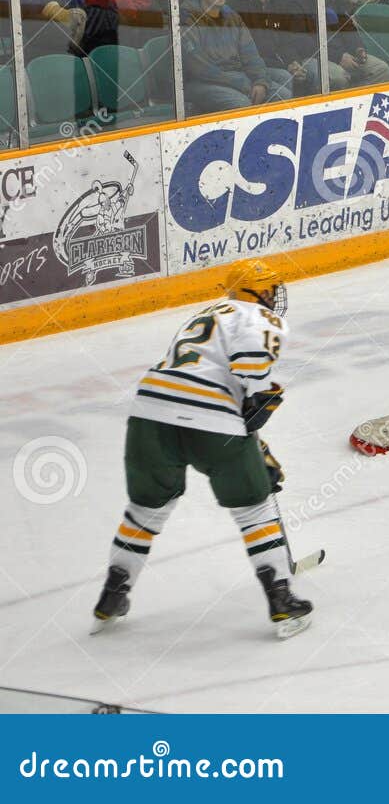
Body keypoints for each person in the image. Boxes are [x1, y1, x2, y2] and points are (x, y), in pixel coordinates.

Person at [91, 259, 313, 640]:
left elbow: (196, 381)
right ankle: (281, 599)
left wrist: (248, 434)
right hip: (213, 420)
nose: (275, 297)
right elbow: (252, 374)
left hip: (149, 412)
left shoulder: (206, 314)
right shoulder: (260, 317)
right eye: (271, 289)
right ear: (258, 291)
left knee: (146, 510)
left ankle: (113, 594)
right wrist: (258, 418)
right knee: (255, 509)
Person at [233, 0, 389, 92]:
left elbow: (345, 24)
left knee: (381, 69)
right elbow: (298, 41)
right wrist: (293, 62)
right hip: (306, 57)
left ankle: (353, 107)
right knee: (337, 77)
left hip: (335, 54)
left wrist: (357, 48)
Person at [182, 0, 294, 114]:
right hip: (200, 83)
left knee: (283, 95)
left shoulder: (232, 16)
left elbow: (251, 55)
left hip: (237, 77)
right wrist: (242, 83)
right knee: (241, 104)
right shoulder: (186, 21)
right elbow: (200, 70)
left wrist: (260, 81)